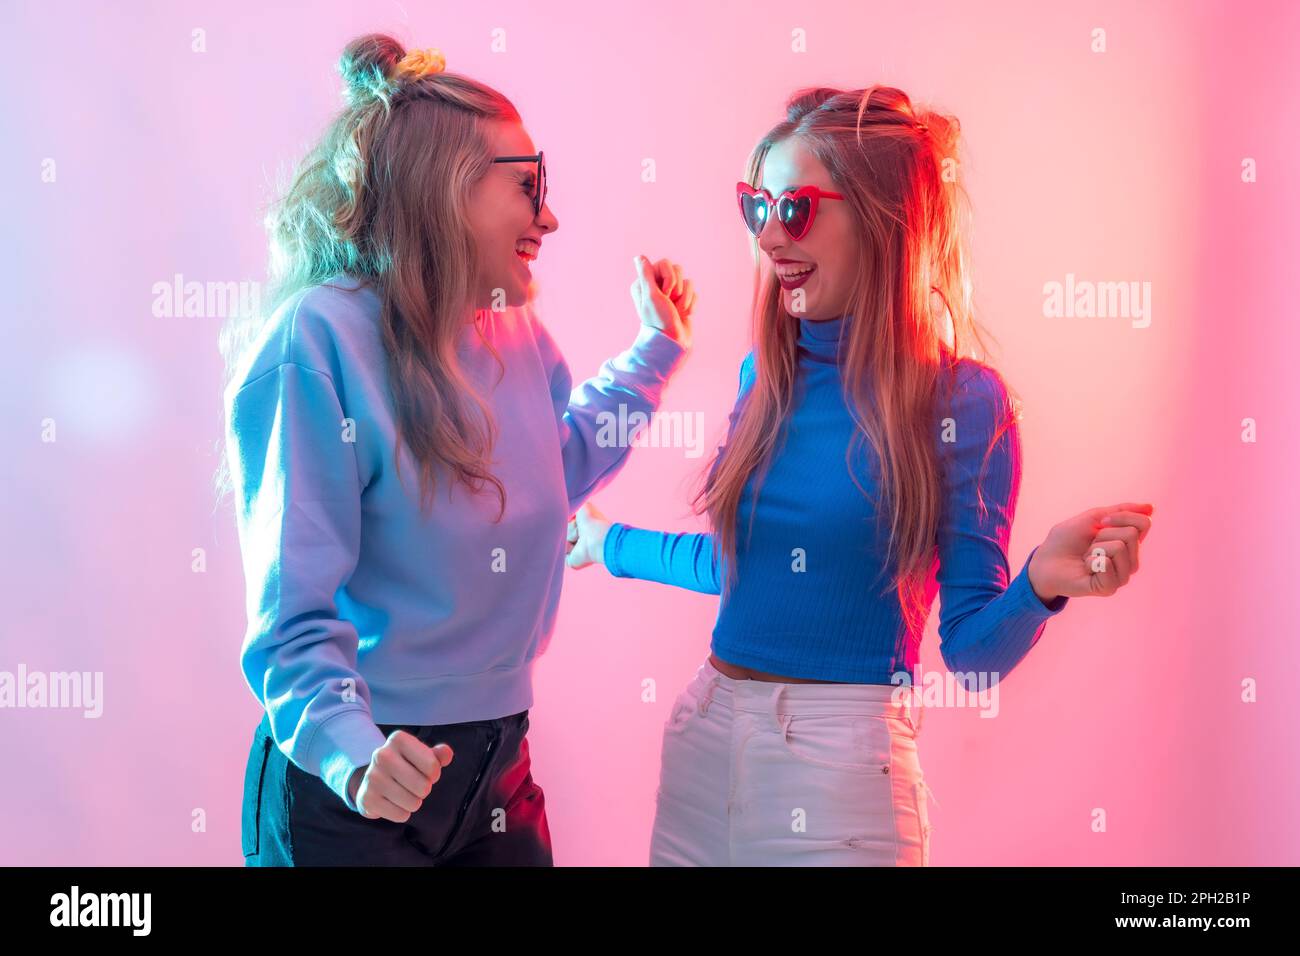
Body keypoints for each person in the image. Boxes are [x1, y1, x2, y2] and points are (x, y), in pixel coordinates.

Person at [566, 85, 1153, 866]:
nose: (770, 236)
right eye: (756, 207)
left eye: (797, 209)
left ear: (883, 222)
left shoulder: (963, 402)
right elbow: (749, 568)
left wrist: (1041, 583)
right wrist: (607, 543)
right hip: (706, 741)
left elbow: (972, 655)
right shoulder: (763, 377)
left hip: (841, 771)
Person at [218, 33, 695, 865]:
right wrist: (352, 752)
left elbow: (551, 473)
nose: (549, 217)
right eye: (528, 185)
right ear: (445, 188)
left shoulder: (513, 330)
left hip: (497, 764)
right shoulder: (317, 342)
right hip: (356, 778)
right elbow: (291, 615)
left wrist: (655, 351)